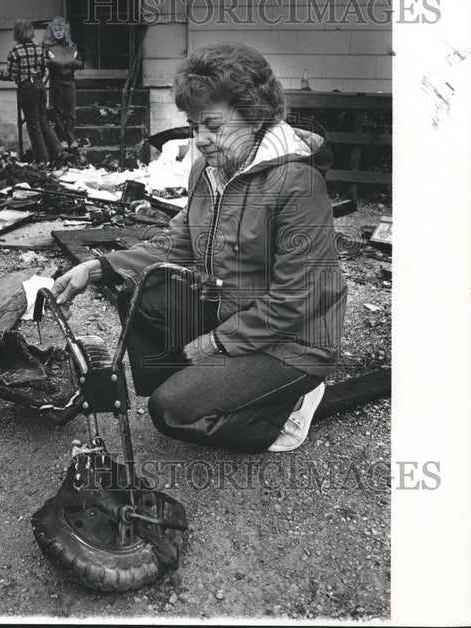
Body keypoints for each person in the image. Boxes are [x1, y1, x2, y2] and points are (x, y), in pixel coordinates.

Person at [52, 42, 347, 454]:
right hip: (237, 312)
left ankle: (288, 406)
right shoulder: (210, 170)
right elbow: (180, 243)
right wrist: (98, 267)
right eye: (194, 126)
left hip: (295, 341)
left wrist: (216, 343)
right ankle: (213, 388)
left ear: (254, 115)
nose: (201, 140)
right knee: (142, 294)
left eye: (213, 125)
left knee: (172, 412)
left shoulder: (297, 185)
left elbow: (297, 298)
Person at [0, 19, 67, 168]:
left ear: (17, 33)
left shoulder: (15, 52)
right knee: (43, 121)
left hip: (27, 88)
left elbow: (10, 75)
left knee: (33, 124)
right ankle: (59, 153)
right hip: (40, 85)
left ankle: (42, 160)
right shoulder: (38, 49)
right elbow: (43, 70)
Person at [42, 17, 84, 148]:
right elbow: (46, 63)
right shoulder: (48, 47)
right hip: (56, 81)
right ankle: (62, 138)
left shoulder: (72, 47)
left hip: (70, 81)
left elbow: (80, 63)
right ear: (51, 31)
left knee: (70, 110)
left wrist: (66, 62)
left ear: (65, 31)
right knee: (57, 110)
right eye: (55, 30)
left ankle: (71, 138)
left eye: (61, 29)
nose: (58, 32)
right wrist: (59, 62)